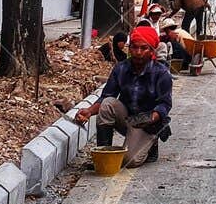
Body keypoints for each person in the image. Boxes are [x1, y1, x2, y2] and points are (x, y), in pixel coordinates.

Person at [73, 26, 172, 167]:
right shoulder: (121, 68)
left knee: (128, 161)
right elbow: (107, 96)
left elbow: (165, 104)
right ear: (129, 48)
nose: (138, 53)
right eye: (134, 47)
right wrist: (88, 111)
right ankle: (103, 155)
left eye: (144, 48)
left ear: (152, 51)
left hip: (147, 123)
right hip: (127, 117)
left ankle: (151, 142)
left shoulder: (161, 73)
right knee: (108, 104)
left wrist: (149, 118)